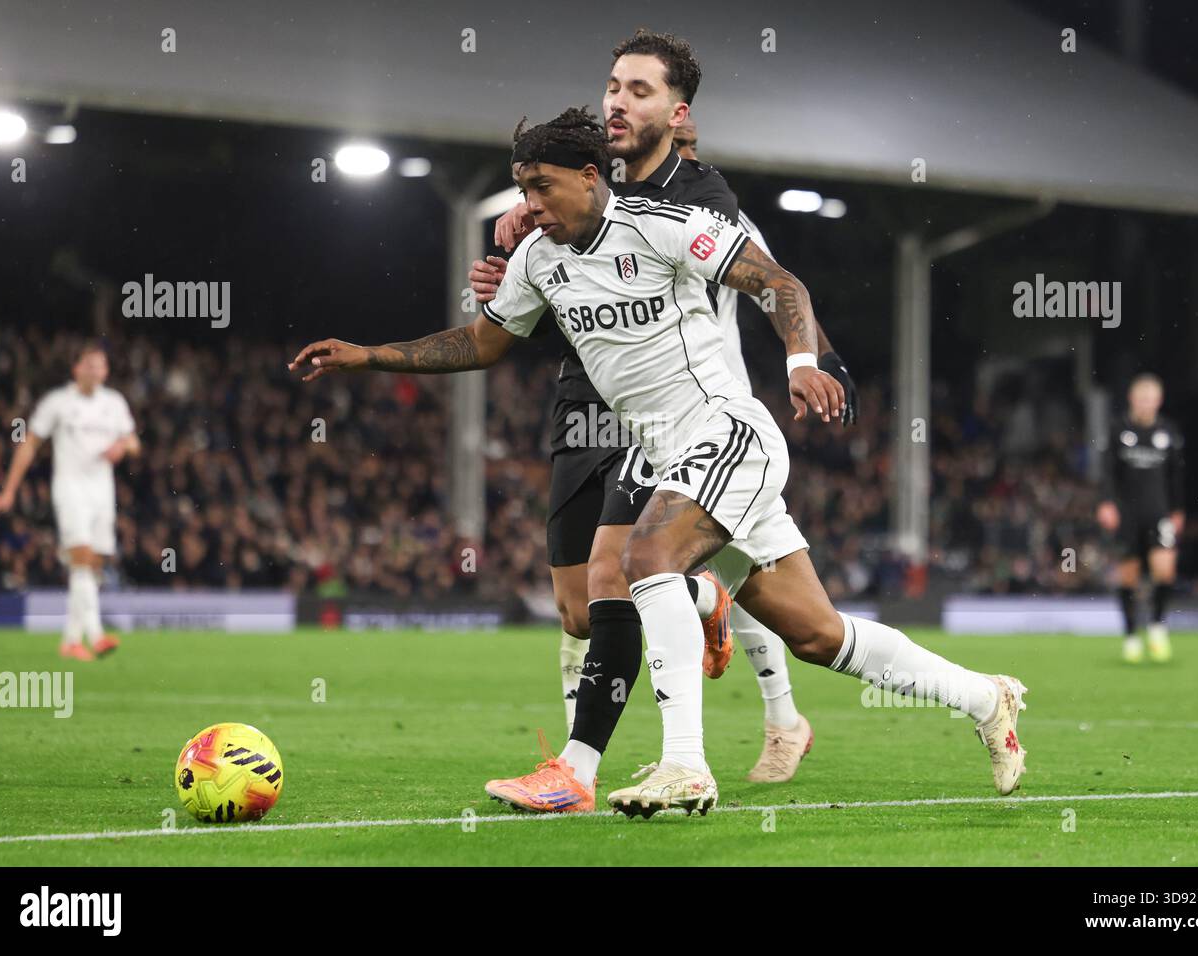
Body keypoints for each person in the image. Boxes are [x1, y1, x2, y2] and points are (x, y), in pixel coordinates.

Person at [290, 107, 1028, 816]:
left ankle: (685, 765)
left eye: (542, 186)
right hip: (661, 455)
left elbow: (779, 283)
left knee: (646, 560)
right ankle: (987, 699)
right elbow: (483, 342)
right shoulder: (539, 260)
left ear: (589, 175)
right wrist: (367, 356)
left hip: (728, 433)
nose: (531, 205)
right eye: (522, 191)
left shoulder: (666, 226)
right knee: (816, 635)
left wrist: (804, 359)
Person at [468, 30, 858, 800]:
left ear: (680, 119)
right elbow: (569, 279)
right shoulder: (580, 183)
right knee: (579, 609)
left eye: (639, 92)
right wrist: (520, 235)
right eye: (614, 87)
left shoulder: (705, 197)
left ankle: (609, 759)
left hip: (687, 407)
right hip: (590, 399)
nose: (618, 101)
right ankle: (702, 604)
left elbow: (771, 280)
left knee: (662, 561)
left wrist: (815, 360)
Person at [0, 342, 139, 660]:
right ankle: (96, 635)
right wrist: (9, 490)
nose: (95, 370)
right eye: (89, 364)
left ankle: (70, 640)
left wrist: (123, 448)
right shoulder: (58, 403)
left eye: (100, 365)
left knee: (91, 565)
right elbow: (29, 444)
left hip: (102, 490)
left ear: (106, 371)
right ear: (76, 369)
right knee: (82, 556)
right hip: (70, 488)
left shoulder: (114, 403)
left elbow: (134, 441)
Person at [1096, 373, 1184, 663]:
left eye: (1151, 399)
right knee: (1129, 577)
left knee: (1165, 570)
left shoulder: (1168, 432)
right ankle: (1132, 636)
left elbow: (1176, 475)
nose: (1146, 404)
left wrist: (1178, 509)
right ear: (1132, 399)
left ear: (1159, 401)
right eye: (1142, 398)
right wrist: (1106, 503)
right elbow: (1107, 471)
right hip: (1127, 515)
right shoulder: (1118, 429)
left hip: (1158, 512)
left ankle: (1157, 626)